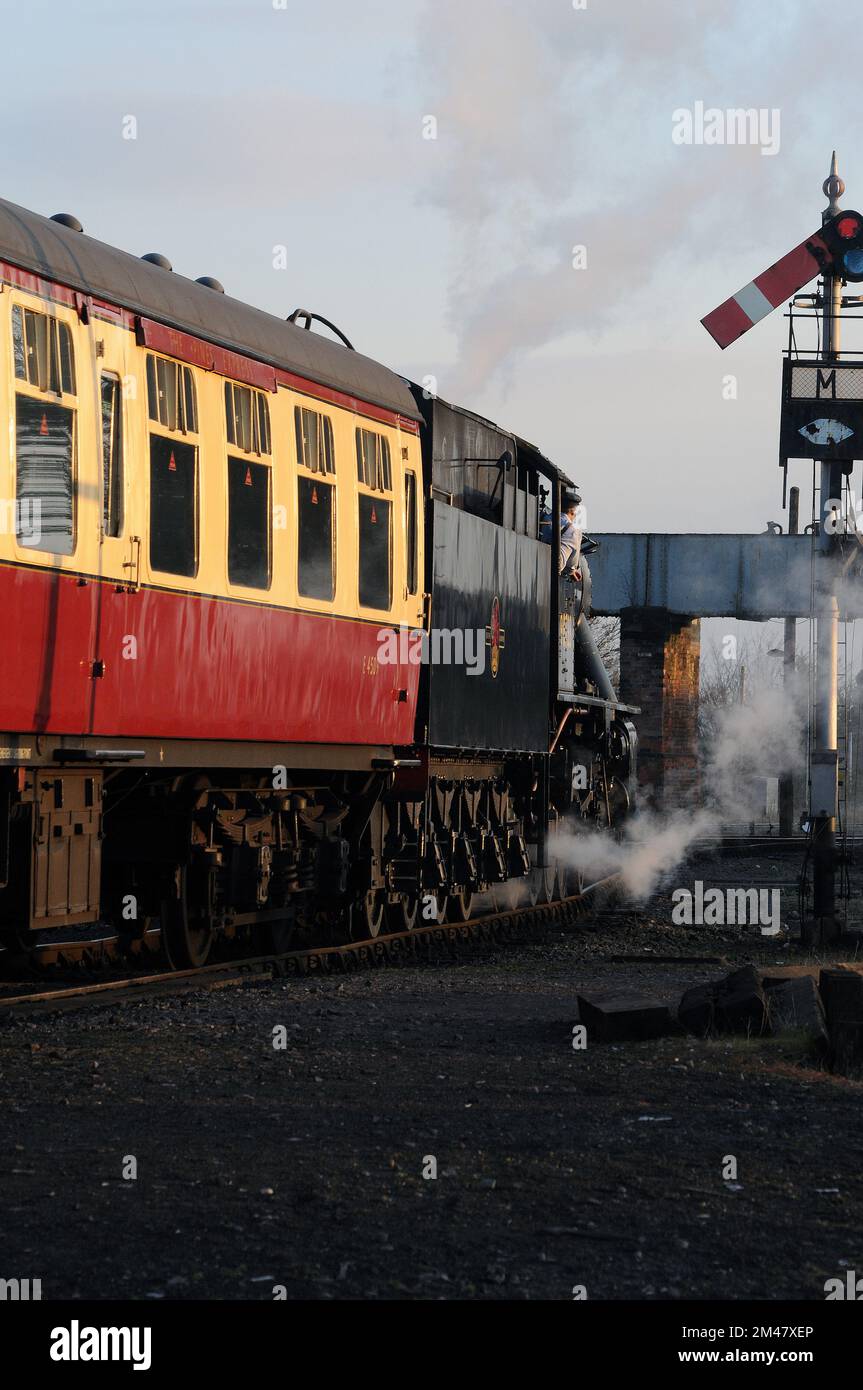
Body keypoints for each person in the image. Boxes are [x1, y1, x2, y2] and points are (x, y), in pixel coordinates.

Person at [559, 490, 582, 578]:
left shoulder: (544, 518)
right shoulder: (574, 530)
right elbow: (571, 565)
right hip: (552, 569)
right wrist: (572, 571)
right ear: (573, 512)